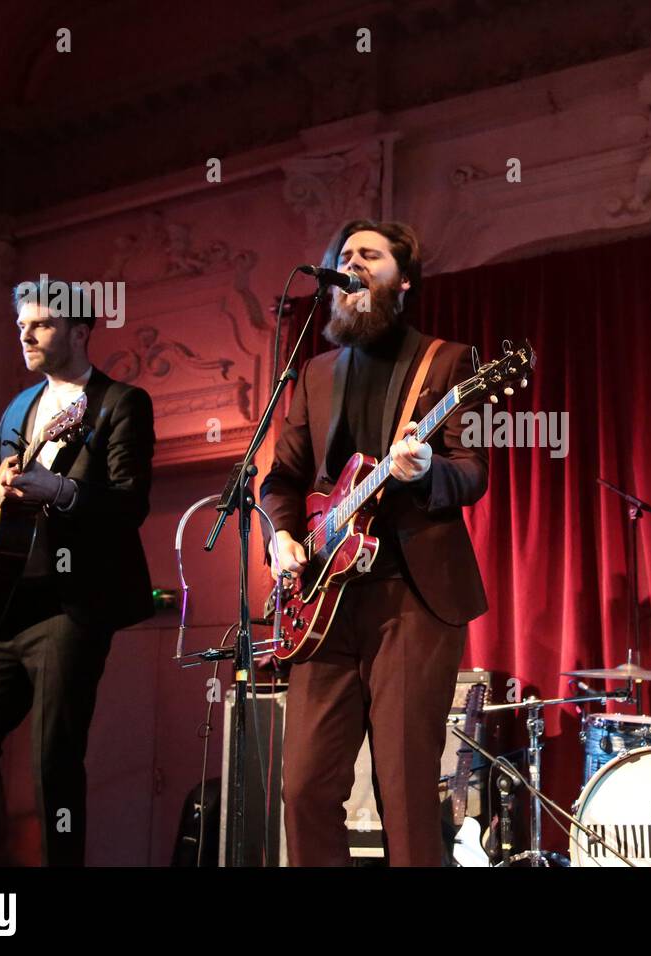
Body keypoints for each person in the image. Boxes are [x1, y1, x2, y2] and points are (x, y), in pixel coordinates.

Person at [261, 220, 489, 866]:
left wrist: (425, 474)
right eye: (344, 256)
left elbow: (472, 472)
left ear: (404, 278)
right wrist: (280, 535)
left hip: (410, 599)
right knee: (303, 788)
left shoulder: (447, 361)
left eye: (370, 254)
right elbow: (282, 477)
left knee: (407, 794)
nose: (351, 262)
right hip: (324, 604)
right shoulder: (315, 373)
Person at [0, 279, 155, 865]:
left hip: (70, 603)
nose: (25, 335)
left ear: (80, 332)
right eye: (21, 326)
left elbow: (130, 503)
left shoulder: (119, 403)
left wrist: (59, 488)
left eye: (42, 324)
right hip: (9, 604)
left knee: (53, 758)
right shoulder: (19, 406)